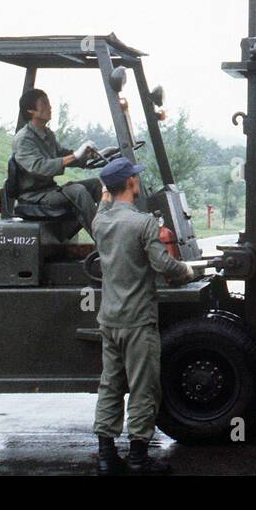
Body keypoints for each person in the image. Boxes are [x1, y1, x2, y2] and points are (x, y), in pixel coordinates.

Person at [91, 157, 194, 475]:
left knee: (110, 385)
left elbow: (102, 207)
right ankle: (138, 457)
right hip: (138, 320)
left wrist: (104, 197)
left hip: (110, 319)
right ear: (132, 184)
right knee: (143, 387)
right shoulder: (143, 222)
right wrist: (187, 271)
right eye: (135, 178)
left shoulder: (100, 222)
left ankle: (107, 456)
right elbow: (164, 266)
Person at [12, 88, 103, 235]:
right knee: (78, 191)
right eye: (44, 103)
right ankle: (105, 241)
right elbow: (39, 167)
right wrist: (75, 155)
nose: (50, 107)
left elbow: (63, 155)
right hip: (34, 196)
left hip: (50, 191)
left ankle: (110, 227)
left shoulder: (48, 134)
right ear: (31, 111)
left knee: (96, 184)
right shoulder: (23, 139)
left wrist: (90, 155)